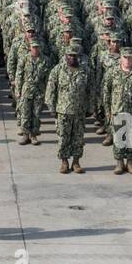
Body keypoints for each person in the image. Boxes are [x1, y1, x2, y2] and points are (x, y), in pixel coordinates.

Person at [44, 41, 89, 174]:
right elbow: (50, 90)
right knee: (63, 137)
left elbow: (91, 90)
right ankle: (64, 161)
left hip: (79, 110)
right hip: (63, 110)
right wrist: (51, 107)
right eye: (69, 55)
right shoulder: (57, 70)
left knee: (78, 138)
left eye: (74, 56)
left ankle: (76, 161)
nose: (72, 58)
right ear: (65, 56)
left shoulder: (84, 71)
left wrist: (91, 107)